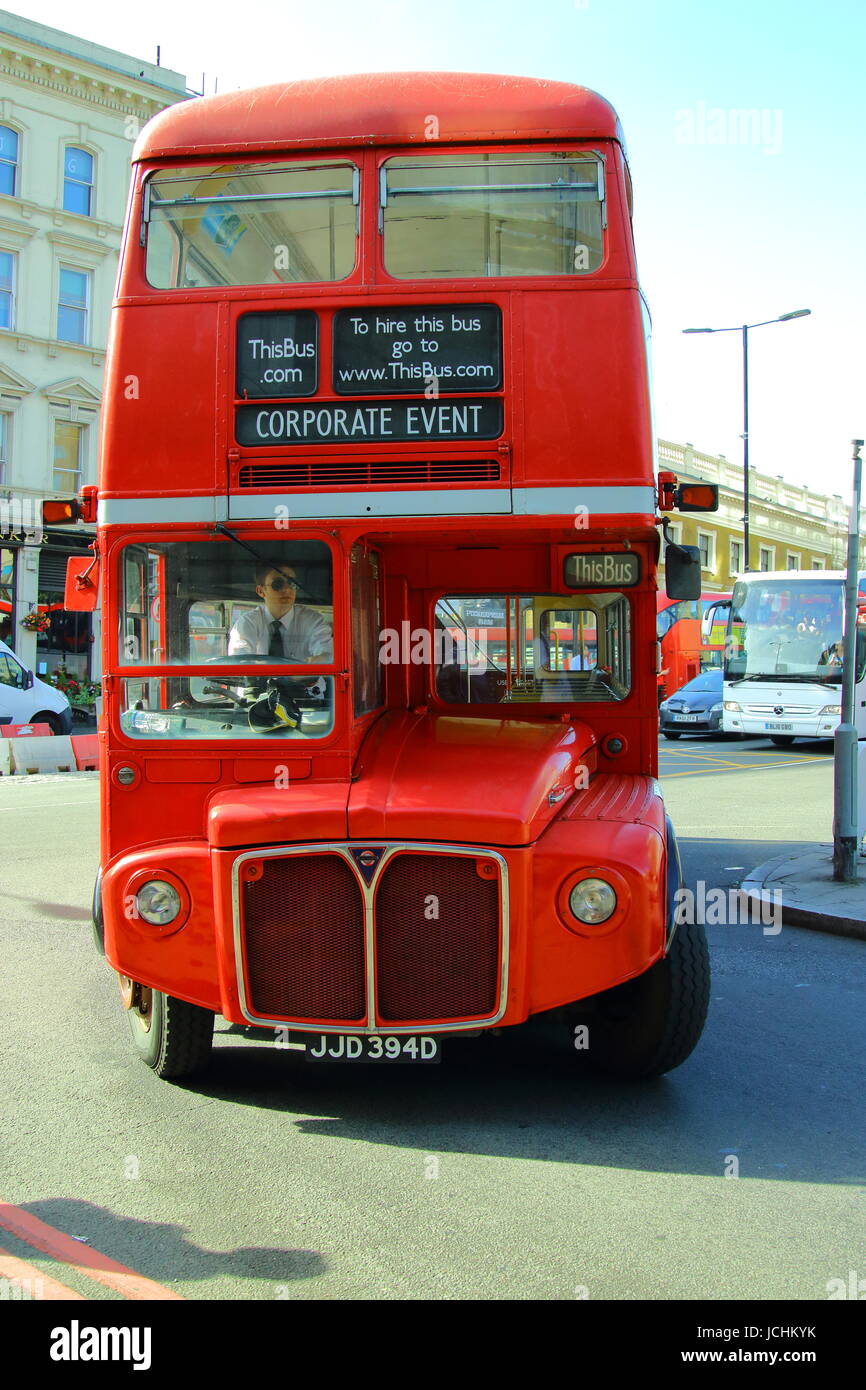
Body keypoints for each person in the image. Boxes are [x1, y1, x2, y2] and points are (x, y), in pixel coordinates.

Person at [228, 562, 332, 662]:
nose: (287, 589)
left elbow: (327, 654)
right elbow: (239, 658)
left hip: (307, 680)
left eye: (292, 583)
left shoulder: (313, 621)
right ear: (261, 591)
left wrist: (309, 666)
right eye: (278, 584)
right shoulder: (249, 622)